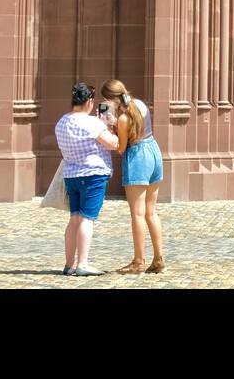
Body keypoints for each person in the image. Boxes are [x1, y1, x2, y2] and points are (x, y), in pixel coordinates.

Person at [99, 79, 166, 274]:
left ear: (110, 98)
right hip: (153, 151)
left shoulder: (122, 118)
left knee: (137, 213)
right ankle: (158, 258)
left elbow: (121, 148)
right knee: (151, 212)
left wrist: (109, 128)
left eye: (106, 99)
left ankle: (138, 262)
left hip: (138, 157)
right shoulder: (140, 104)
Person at [54, 82, 119, 276]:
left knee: (74, 219)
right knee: (87, 220)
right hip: (93, 175)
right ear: (90, 101)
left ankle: (69, 264)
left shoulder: (62, 121)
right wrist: (110, 125)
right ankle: (83, 263)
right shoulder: (93, 123)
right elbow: (113, 144)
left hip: (71, 175)